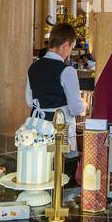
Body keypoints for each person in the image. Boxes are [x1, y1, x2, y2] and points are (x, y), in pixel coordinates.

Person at [25, 23, 85, 155]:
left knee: (40, 165)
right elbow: (75, 108)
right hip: (60, 128)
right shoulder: (67, 71)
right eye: (72, 47)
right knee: (62, 168)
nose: (71, 52)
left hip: (38, 125)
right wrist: (83, 106)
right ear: (66, 45)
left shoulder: (33, 67)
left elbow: (30, 101)